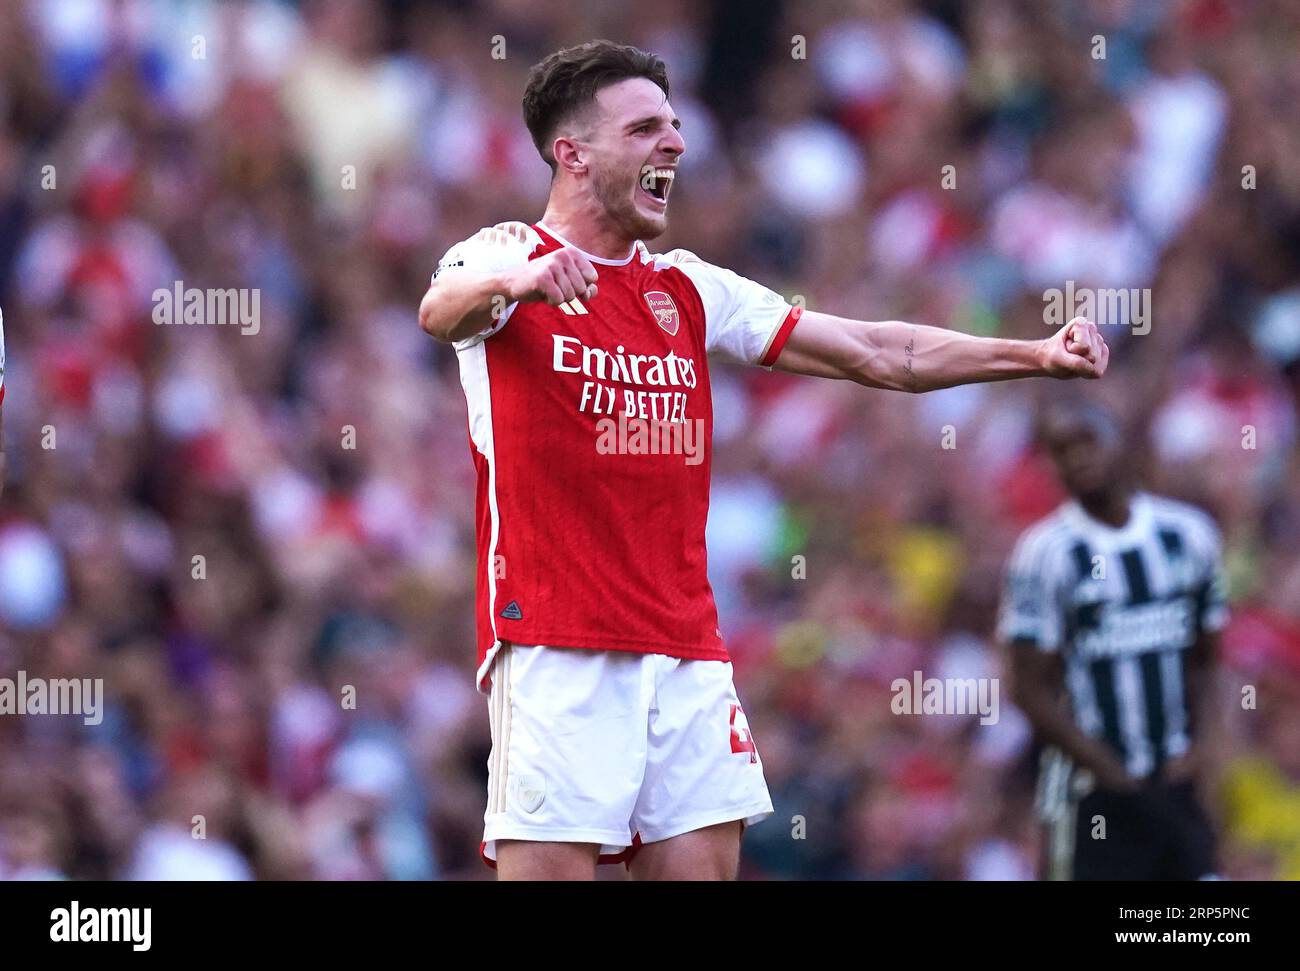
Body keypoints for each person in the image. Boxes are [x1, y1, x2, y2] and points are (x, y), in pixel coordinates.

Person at [418, 40, 1110, 881]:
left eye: (674, 127)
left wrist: (1033, 355)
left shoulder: (688, 287)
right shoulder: (500, 252)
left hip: (686, 650)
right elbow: (440, 309)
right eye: (644, 129)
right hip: (559, 646)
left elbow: (877, 350)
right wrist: (521, 283)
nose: (673, 143)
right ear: (573, 153)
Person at [999, 399, 1226, 880]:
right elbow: (1028, 689)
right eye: (1061, 450)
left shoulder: (1187, 536)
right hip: (1088, 790)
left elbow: (1209, 659)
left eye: (1087, 441)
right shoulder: (1044, 554)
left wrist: (1204, 748)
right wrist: (1109, 769)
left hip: (1174, 778)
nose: (1078, 459)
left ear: (1119, 440)